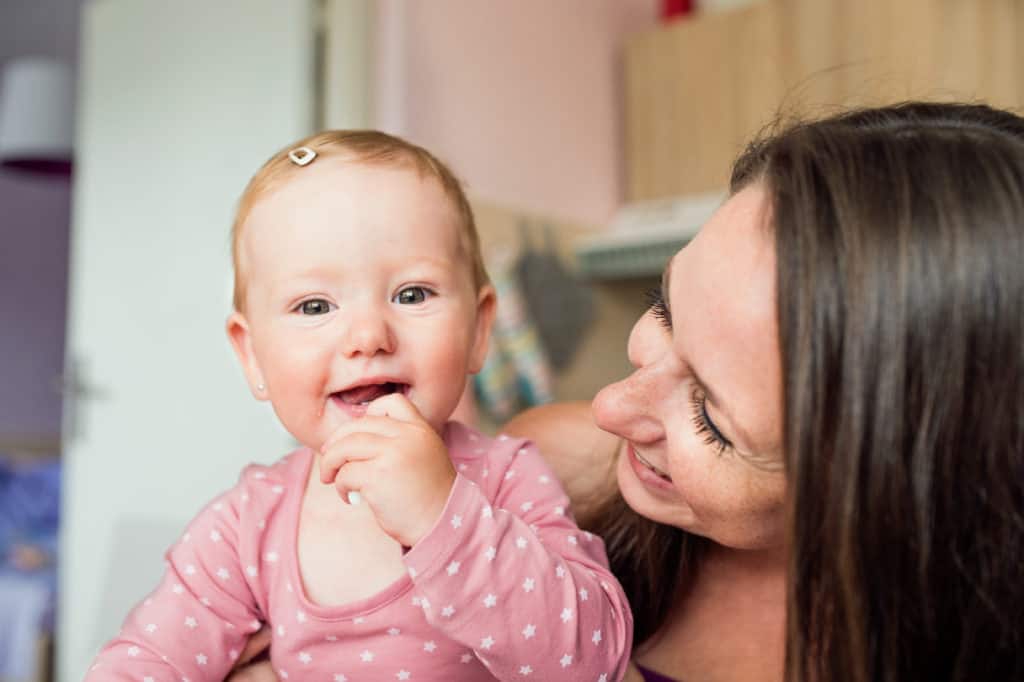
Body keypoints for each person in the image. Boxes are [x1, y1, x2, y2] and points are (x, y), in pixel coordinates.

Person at [228, 101, 1024, 682]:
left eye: (710, 419)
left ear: (892, 492)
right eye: (665, 309)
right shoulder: (552, 461)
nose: (612, 410)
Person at [84, 130, 633, 681]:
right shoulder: (247, 524)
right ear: (252, 356)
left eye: (412, 294)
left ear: (478, 328)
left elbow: (593, 662)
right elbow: (144, 665)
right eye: (315, 305)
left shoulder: (507, 479)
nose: (368, 335)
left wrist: (442, 515)